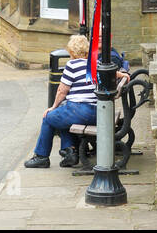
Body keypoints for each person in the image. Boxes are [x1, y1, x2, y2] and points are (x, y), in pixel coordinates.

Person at [24, 35, 128, 168]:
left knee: (49, 118)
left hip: (78, 110)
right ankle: (70, 152)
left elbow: (62, 90)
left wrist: (53, 107)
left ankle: (41, 156)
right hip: (96, 112)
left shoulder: (72, 65)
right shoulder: (94, 63)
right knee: (62, 116)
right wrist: (123, 75)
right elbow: (111, 72)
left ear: (72, 52)